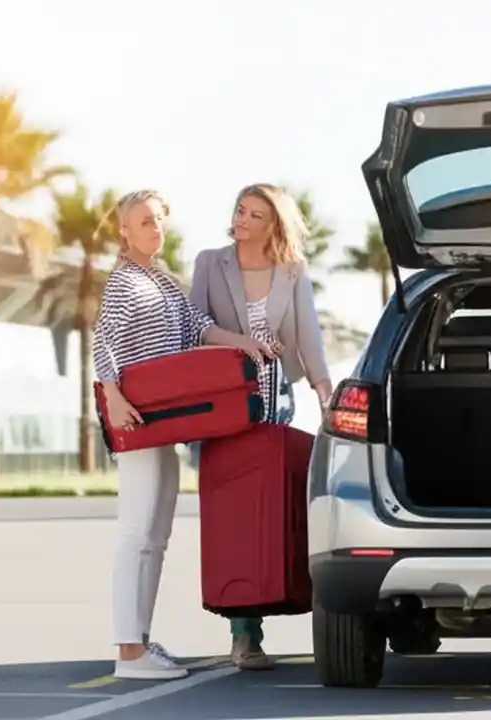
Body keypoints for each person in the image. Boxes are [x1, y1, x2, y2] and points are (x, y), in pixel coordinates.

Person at [95, 189, 276, 681]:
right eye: (143, 221)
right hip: (136, 418)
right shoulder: (123, 281)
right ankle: (129, 651)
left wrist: (245, 344)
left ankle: (140, 642)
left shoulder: (164, 281)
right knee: (137, 532)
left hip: (166, 419)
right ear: (124, 231)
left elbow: (199, 327)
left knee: (155, 535)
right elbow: (103, 341)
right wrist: (112, 397)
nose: (154, 228)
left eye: (158, 220)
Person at [189, 182, 334, 670]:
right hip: (224, 401)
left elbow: (308, 334)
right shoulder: (211, 262)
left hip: (276, 398)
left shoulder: (291, 271)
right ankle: (244, 636)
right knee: (234, 517)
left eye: (255, 214)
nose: (242, 220)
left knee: (275, 511)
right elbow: (196, 326)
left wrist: (323, 389)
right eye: (239, 210)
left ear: (274, 224)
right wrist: (242, 343)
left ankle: (290, 603)